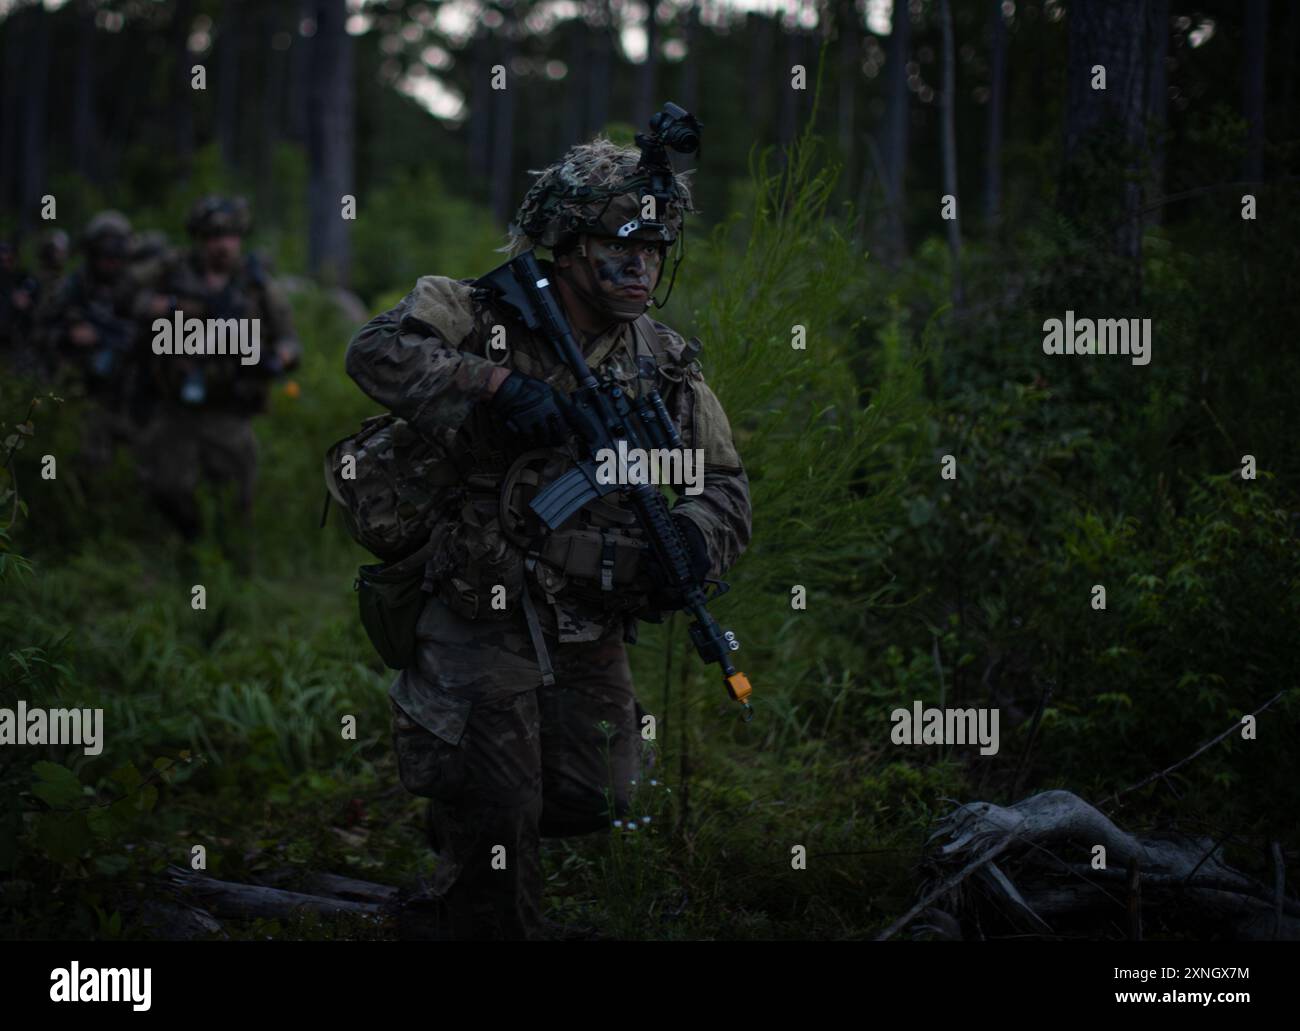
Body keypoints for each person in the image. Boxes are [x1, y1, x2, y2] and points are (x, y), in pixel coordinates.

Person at [345, 135, 752, 939]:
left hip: (588, 610)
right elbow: (375, 352)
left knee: (598, 791)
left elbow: (725, 483)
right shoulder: (479, 310)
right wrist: (493, 381)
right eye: (621, 247)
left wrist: (697, 542)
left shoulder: (664, 363)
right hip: (479, 595)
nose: (641, 268)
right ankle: (479, 875)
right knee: (502, 808)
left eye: (655, 250)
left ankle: (465, 835)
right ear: (565, 247)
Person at [135, 196, 300, 561]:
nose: (222, 244)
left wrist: (278, 357)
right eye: (213, 236)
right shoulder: (173, 272)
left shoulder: (256, 284)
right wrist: (178, 309)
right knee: (165, 486)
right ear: (199, 238)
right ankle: (188, 546)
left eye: (230, 236)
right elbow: (131, 299)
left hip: (230, 405)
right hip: (176, 404)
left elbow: (289, 338)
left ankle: (233, 573)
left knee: (236, 498)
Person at [32, 212, 148, 468]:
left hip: (131, 397)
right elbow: (38, 333)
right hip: (80, 396)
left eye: (116, 253)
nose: (110, 260)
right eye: (103, 253)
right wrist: (69, 335)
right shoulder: (72, 288)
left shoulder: (136, 288)